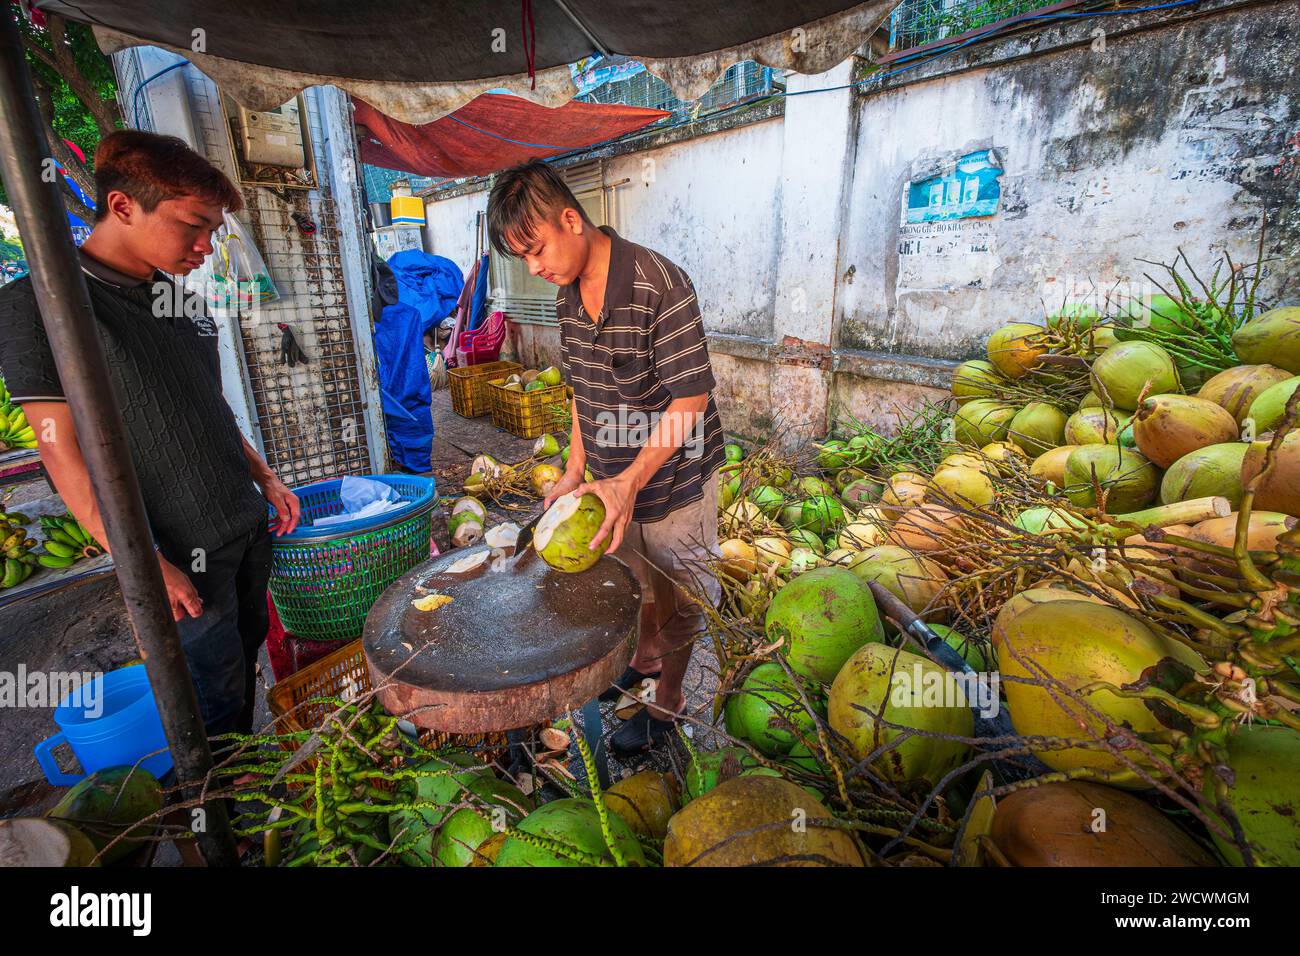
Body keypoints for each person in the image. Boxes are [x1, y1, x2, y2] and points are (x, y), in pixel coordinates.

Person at [0, 130, 301, 738]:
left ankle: (243, 811)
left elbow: (207, 407)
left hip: (243, 527)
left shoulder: (180, 303)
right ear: (122, 207)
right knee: (205, 702)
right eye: (193, 225)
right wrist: (143, 565)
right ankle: (213, 824)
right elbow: (62, 454)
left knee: (241, 672)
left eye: (213, 231)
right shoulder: (43, 303)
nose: (205, 246)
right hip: (175, 553)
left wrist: (264, 477)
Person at [487, 160, 724, 755]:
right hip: (611, 478)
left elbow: (692, 395)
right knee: (640, 581)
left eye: (537, 250)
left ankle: (669, 703)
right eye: (524, 260)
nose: (535, 268)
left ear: (572, 220)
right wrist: (573, 468)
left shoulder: (659, 284)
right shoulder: (568, 298)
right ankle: (644, 662)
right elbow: (581, 390)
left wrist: (631, 481)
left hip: (677, 478)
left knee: (681, 590)